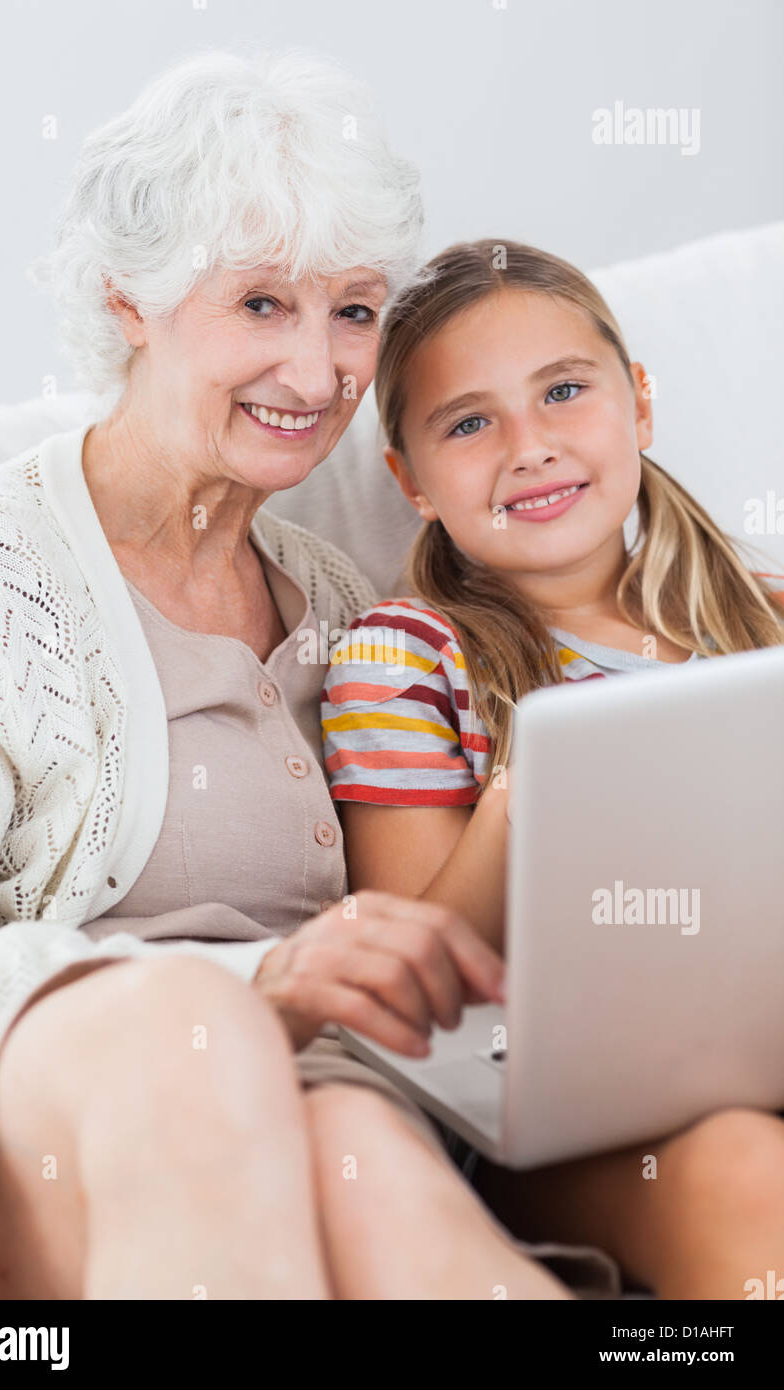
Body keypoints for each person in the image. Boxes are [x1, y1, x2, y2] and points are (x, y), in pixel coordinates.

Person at [0, 58, 581, 1301]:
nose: (322, 370)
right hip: (47, 1086)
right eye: (262, 306)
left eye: (351, 311)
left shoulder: (333, 594)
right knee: (204, 1039)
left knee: (368, 1163)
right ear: (128, 299)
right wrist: (246, 984)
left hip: (299, 1082)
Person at [321, 236, 784, 1299]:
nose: (527, 447)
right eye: (470, 422)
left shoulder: (762, 617)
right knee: (739, 1174)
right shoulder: (403, 655)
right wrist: (523, 802)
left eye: (563, 391)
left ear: (639, 408)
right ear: (411, 480)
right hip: (564, 1119)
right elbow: (412, 977)